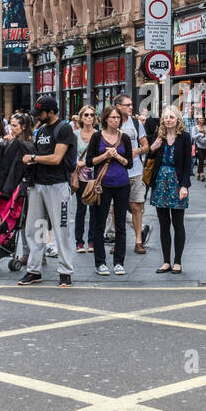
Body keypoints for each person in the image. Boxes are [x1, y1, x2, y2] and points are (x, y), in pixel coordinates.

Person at [18, 96, 75, 287]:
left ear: (51, 112)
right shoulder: (40, 130)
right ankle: (34, 271)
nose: (37, 117)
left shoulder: (64, 128)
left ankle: (65, 272)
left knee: (61, 230)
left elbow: (57, 158)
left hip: (57, 185)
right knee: (35, 229)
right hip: (37, 185)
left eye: (40, 113)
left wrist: (32, 157)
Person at [87, 105, 135, 275]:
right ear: (105, 119)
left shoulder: (125, 138)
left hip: (122, 184)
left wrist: (117, 156)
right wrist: (105, 156)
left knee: (120, 225)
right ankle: (100, 262)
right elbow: (89, 161)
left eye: (118, 118)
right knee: (99, 224)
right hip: (102, 186)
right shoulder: (96, 137)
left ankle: (119, 262)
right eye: (113, 118)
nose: (116, 121)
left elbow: (129, 163)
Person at [149, 105, 192, 274]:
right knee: (163, 224)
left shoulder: (185, 137)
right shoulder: (158, 135)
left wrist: (184, 185)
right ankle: (166, 261)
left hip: (177, 182)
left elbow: (188, 164)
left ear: (177, 119)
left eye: (171, 117)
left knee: (178, 223)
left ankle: (177, 262)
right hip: (160, 182)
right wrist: (153, 148)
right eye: (165, 117)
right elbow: (150, 159)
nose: (168, 120)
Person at [116, 94, 151, 254]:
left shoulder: (136, 123)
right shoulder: (110, 122)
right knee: (115, 209)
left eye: (131, 104)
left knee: (136, 206)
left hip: (135, 171)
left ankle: (138, 241)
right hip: (115, 171)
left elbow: (146, 146)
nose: (131, 107)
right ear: (118, 106)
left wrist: (138, 150)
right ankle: (119, 241)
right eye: (127, 105)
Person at [73, 105, 99, 254]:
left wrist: (87, 162)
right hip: (80, 176)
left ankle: (92, 240)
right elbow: (70, 154)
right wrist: (76, 162)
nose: (89, 117)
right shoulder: (75, 135)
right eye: (86, 115)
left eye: (92, 115)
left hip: (95, 176)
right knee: (81, 209)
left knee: (95, 209)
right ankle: (79, 241)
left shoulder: (99, 134)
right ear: (81, 118)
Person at [192, 116, 206, 182]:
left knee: (202, 160)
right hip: (198, 146)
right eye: (200, 118)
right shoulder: (195, 128)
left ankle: (198, 173)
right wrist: (199, 134)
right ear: (197, 120)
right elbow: (193, 137)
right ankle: (202, 174)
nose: (202, 119)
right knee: (201, 159)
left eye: (202, 118)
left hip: (205, 146)